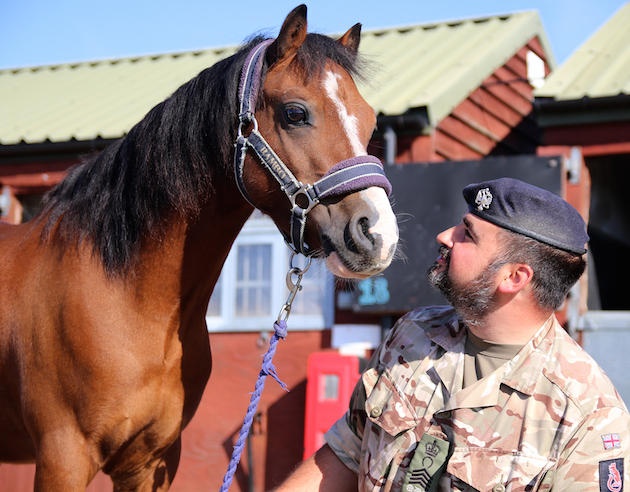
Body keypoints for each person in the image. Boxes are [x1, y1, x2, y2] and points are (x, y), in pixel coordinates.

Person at [276, 177, 629, 492]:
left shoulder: (588, 418)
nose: (445, 236)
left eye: (468, 234)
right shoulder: (412, 334)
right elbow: (346, 456)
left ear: (513, 278)